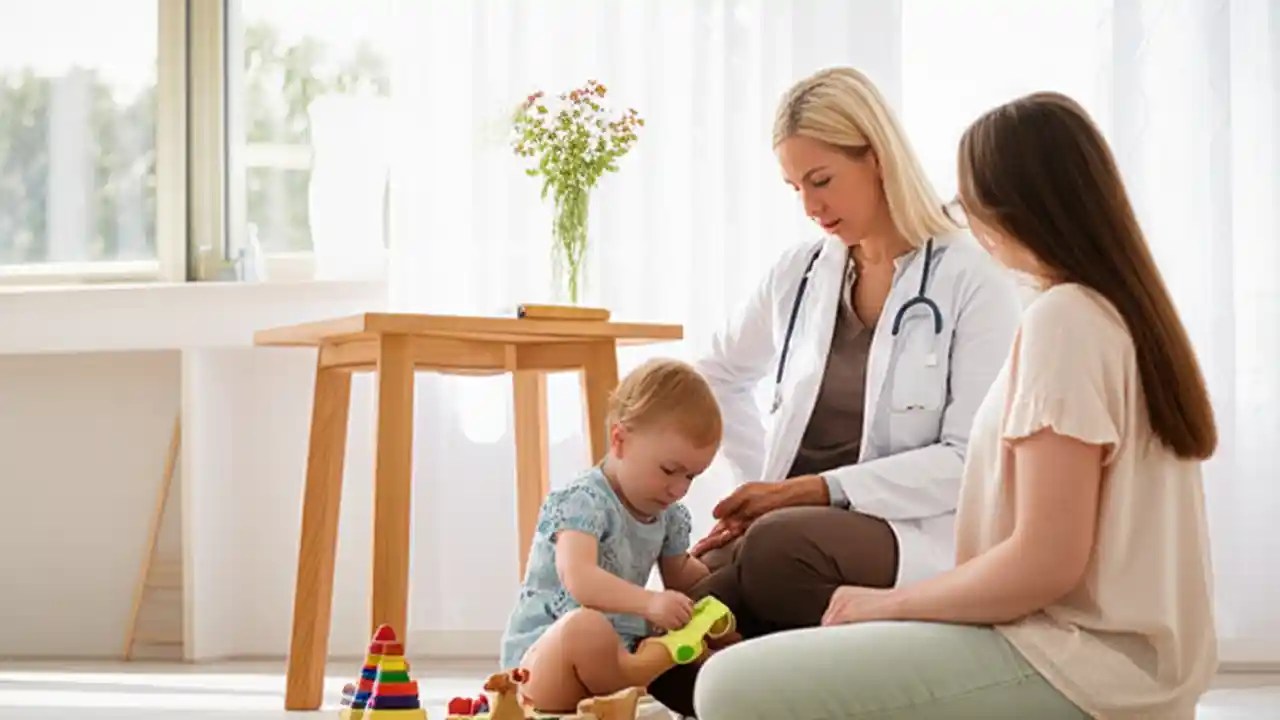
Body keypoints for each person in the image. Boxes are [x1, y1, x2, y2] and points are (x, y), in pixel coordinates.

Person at [693, 91, 1220, 719]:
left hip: (1080, 666)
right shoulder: (1112, 314)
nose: (963, 214)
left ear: (1013, 205)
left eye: (968, 197)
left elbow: (1045, 563)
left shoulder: (1063, 321)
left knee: (728, 686)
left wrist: (885, 605)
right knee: (706, 625)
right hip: (1090, 654)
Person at [647, 66, 1021, 715]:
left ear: (875, 157)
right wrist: (758, 485)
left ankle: (865, 678)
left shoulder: (971, 278)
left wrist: (802, 494)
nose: (811, 207)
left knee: (772, 552)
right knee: (665, 652)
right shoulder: (802, 272)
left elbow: (970, 462)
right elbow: (718, 374)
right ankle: (819, 678)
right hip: (795, 533)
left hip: (909, 527)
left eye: (821, 181)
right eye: (795, 188)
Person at [498, 357, 729, 714]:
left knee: (681, 634)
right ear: (619, 441)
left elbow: (681, 575)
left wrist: (724, 590)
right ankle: (640, 678)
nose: (678, 489)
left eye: (691, 477)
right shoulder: (583, 501)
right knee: (587, 627)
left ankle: (645, 678)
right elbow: (580, 579)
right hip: (541, 669)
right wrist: (650, 603)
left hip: (616, 657)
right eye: (670, 470)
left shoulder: (668, 516)